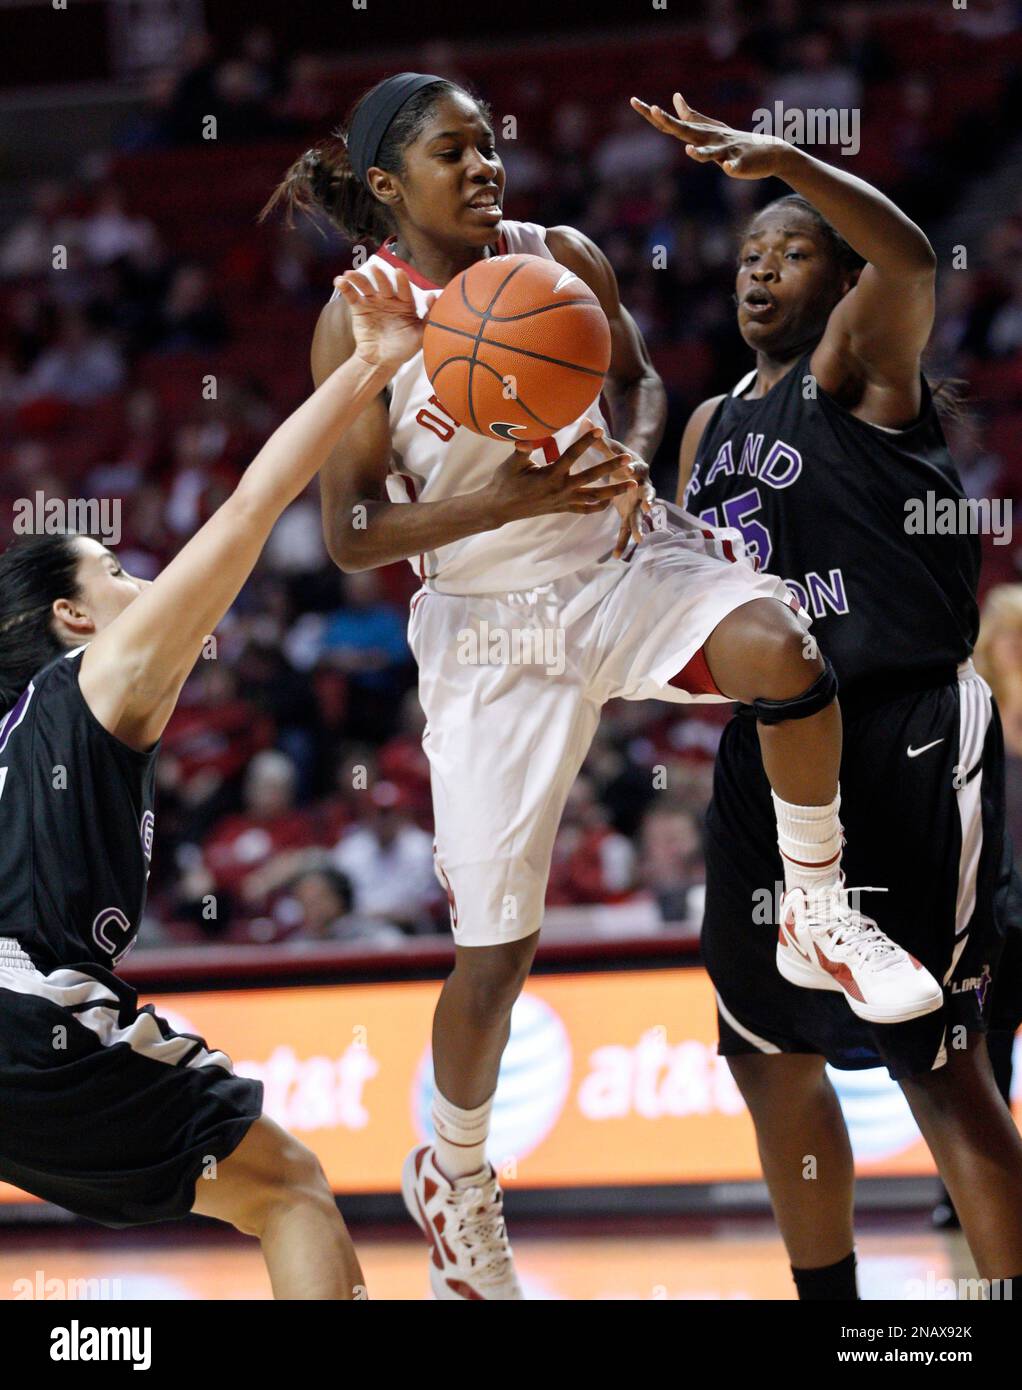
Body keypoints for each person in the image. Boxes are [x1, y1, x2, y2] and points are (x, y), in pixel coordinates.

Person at [268, 71, 940, 1300]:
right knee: (493, 955)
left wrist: (626, 455)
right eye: (451, 154)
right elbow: (359, 530)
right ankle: (457, 1183)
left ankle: (814, 902)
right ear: (383, 187)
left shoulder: (558, 253)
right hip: (484, 631)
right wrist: (517, 494)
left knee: (782, 651)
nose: (484, 167)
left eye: (487, 145)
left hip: (611, 562)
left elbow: (631, 378)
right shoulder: (361, 315)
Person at [633, 91, 1022, 1299]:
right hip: (770, 757)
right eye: (748, 253)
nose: (757, 270)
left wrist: (790, 158)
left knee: (939, 1057)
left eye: (789, 250)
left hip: (901, 732)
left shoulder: (855, 365)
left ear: (839, 278)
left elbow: (907, 253)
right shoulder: (705, 423)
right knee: (765, 1053)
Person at [0, 259, 433, 1299]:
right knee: (287, 1188)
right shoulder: (94, 677)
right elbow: (251, 507)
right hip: (29, 1016)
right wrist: (366, 367)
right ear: (72, 617)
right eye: (115, 574)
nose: (141, 582)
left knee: (258, 1189)